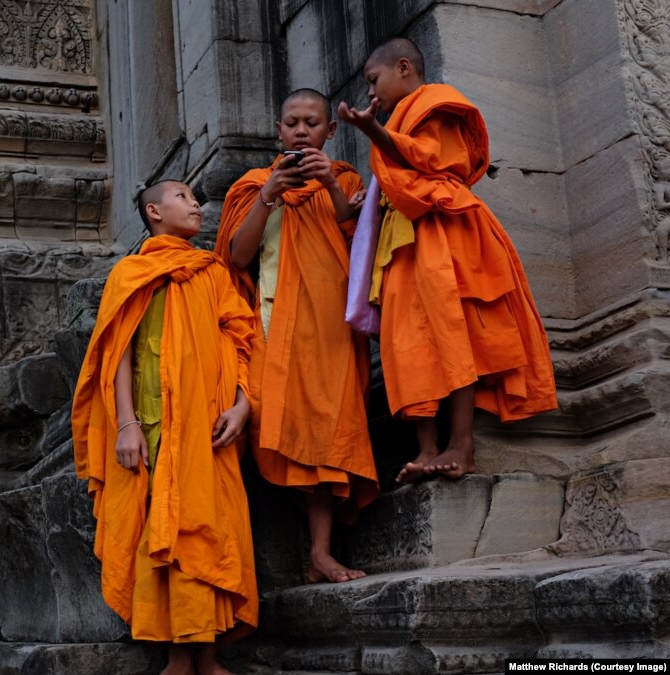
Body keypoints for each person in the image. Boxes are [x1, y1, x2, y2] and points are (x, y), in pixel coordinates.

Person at [337, 37, 558, 484]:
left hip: (443, 226)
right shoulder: (396, 118)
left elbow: (430, 160)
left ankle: (462, 443)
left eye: (374, 80)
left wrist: (374, 131)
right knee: (407, 343)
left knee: (455, 332)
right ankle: (426, 448)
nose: (371, 92)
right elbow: (399, 176)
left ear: (404, 68)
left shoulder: (436, 103)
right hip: (401, 240)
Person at [72, 180, 258, 674]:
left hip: (210, 425)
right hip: (153, 426)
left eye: (195, 197)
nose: (195, 203)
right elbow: (118, 353)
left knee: (210, 528)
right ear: (154, 212)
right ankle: (177, 656)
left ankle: (209, 654)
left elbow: (243, 339)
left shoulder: (213, 272)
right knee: (164, 529)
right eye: (182, 196)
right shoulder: (131, 273)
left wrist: (244, 405)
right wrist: (126, 424)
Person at [217, 88, 377, 584]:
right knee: (271, 425)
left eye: (312, 123)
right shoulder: (252, 186)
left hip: (331, 332)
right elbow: (237, 258)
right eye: (292, 123)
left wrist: (329, 185)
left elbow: (360, 243)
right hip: (274, 326)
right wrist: (269, 196)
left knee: (328, 434)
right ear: (278, 130)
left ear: (331, 131)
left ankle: (320, 553)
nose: (302, 131)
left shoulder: (346, 180)